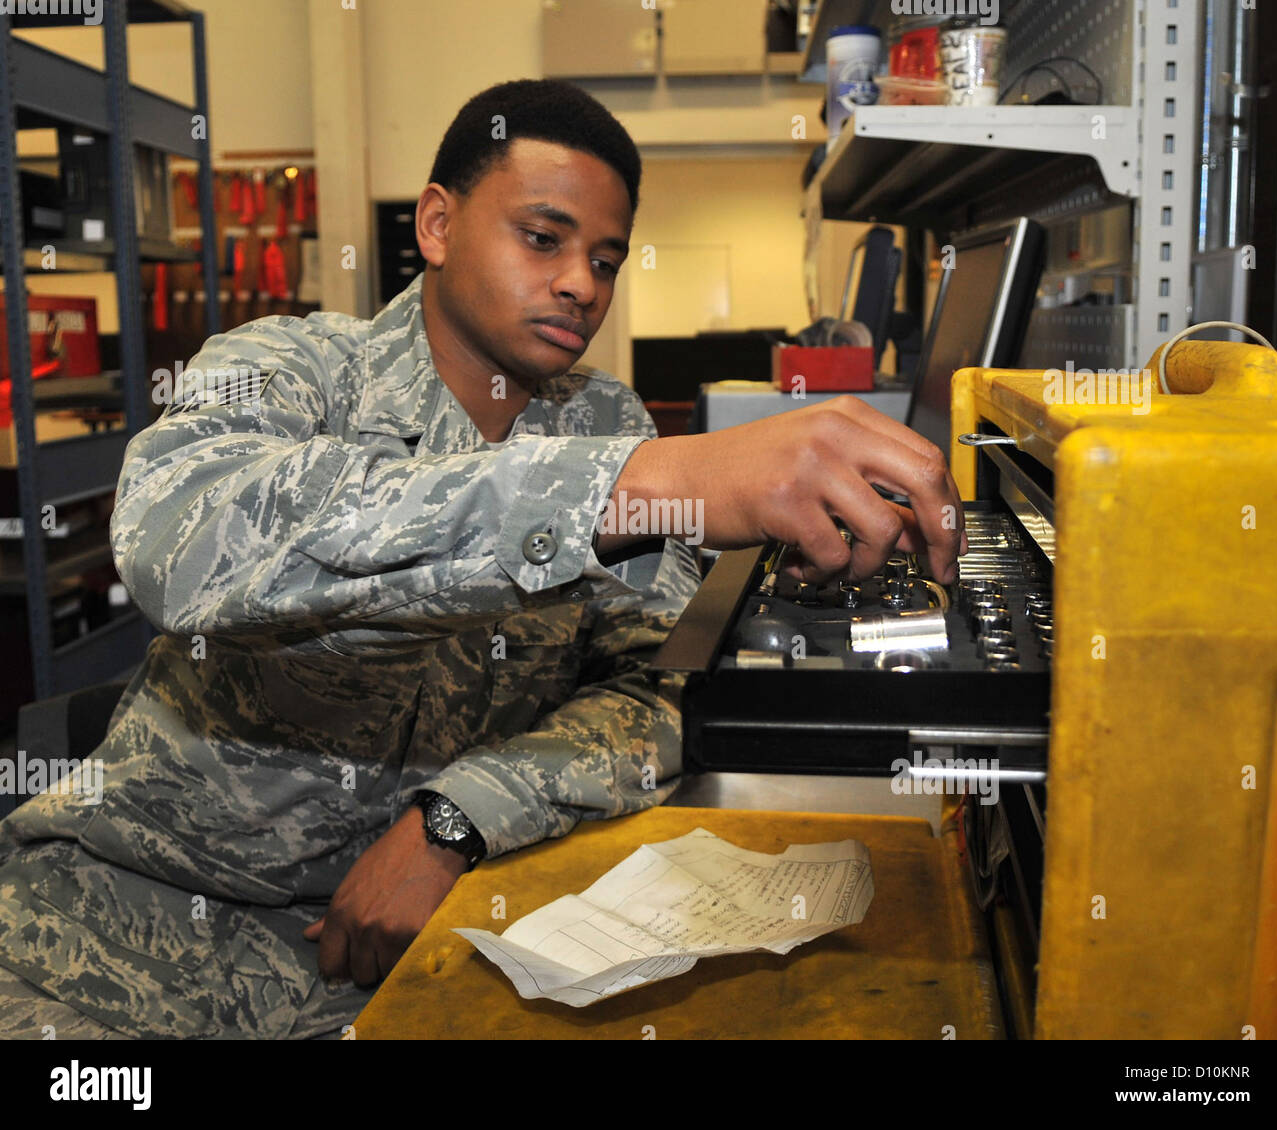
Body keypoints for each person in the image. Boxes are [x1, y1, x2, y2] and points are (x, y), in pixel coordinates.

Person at [0, 79, 964, 1040]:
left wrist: (453, 820)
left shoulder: (604, 421)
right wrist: (627, 486)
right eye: (543, 239)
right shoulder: (286, 367)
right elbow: (181, 537)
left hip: (396, 964)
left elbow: (659, 688)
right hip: (114, 944)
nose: (582, 283)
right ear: (436, 224)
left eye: (606, 259)